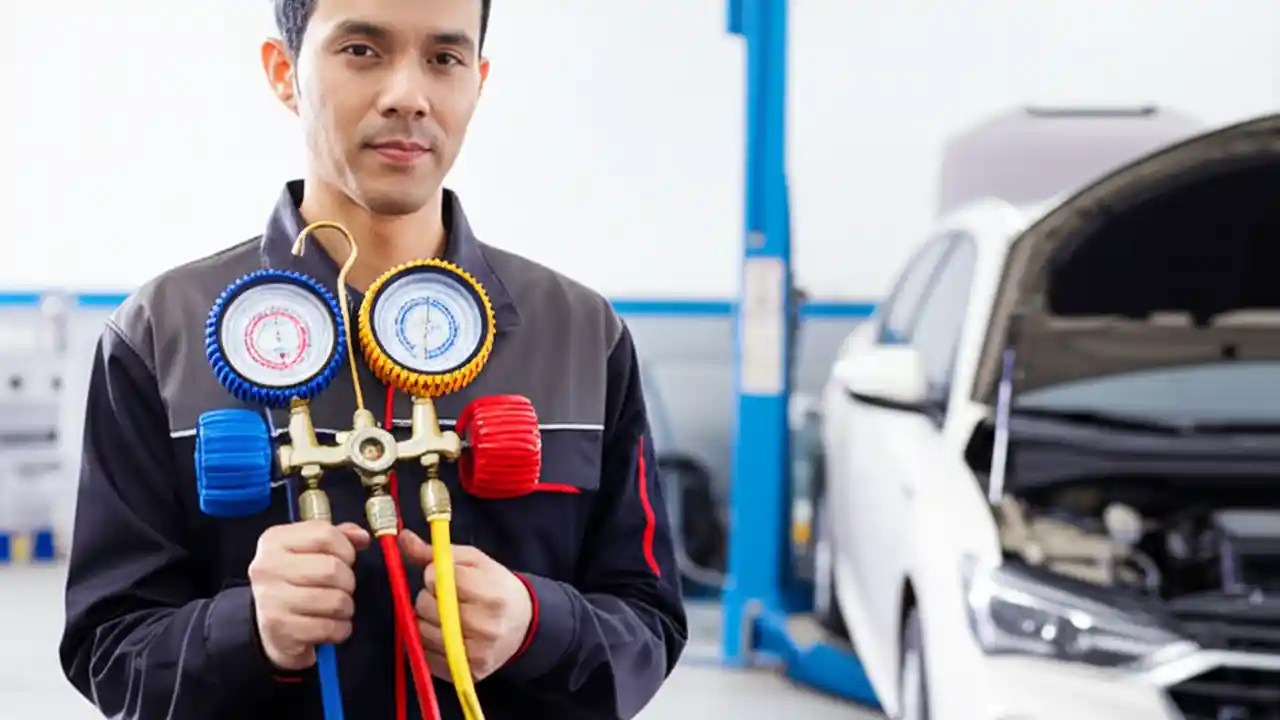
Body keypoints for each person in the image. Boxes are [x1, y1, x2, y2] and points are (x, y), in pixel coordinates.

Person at [57, 0, 688, 717]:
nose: (408, 97)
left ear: (477, 81)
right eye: (362, 50)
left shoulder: (579, 334)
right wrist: (248, 631)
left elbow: (649, 626)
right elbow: (108, 650)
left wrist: (534, 625)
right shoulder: (160, 333)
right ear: (285, 72)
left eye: (444, 59)